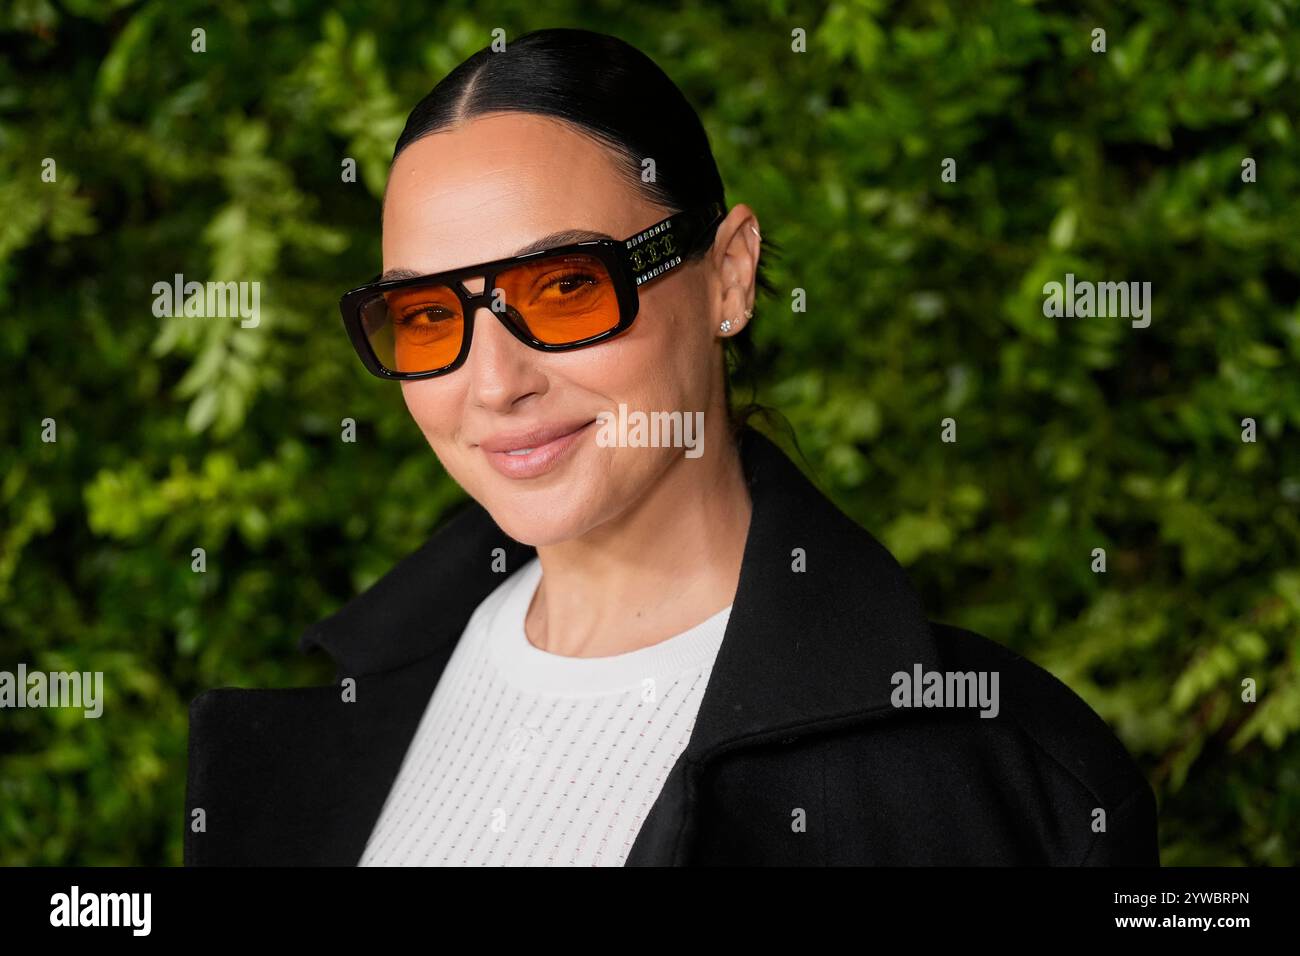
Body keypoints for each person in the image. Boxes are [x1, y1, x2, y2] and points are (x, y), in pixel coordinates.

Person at [184, 27, 1158, 866]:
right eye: (428, 316)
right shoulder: (298, 744)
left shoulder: (1003, 776)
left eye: (563, 286)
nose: (494, 382)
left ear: (727, 275)